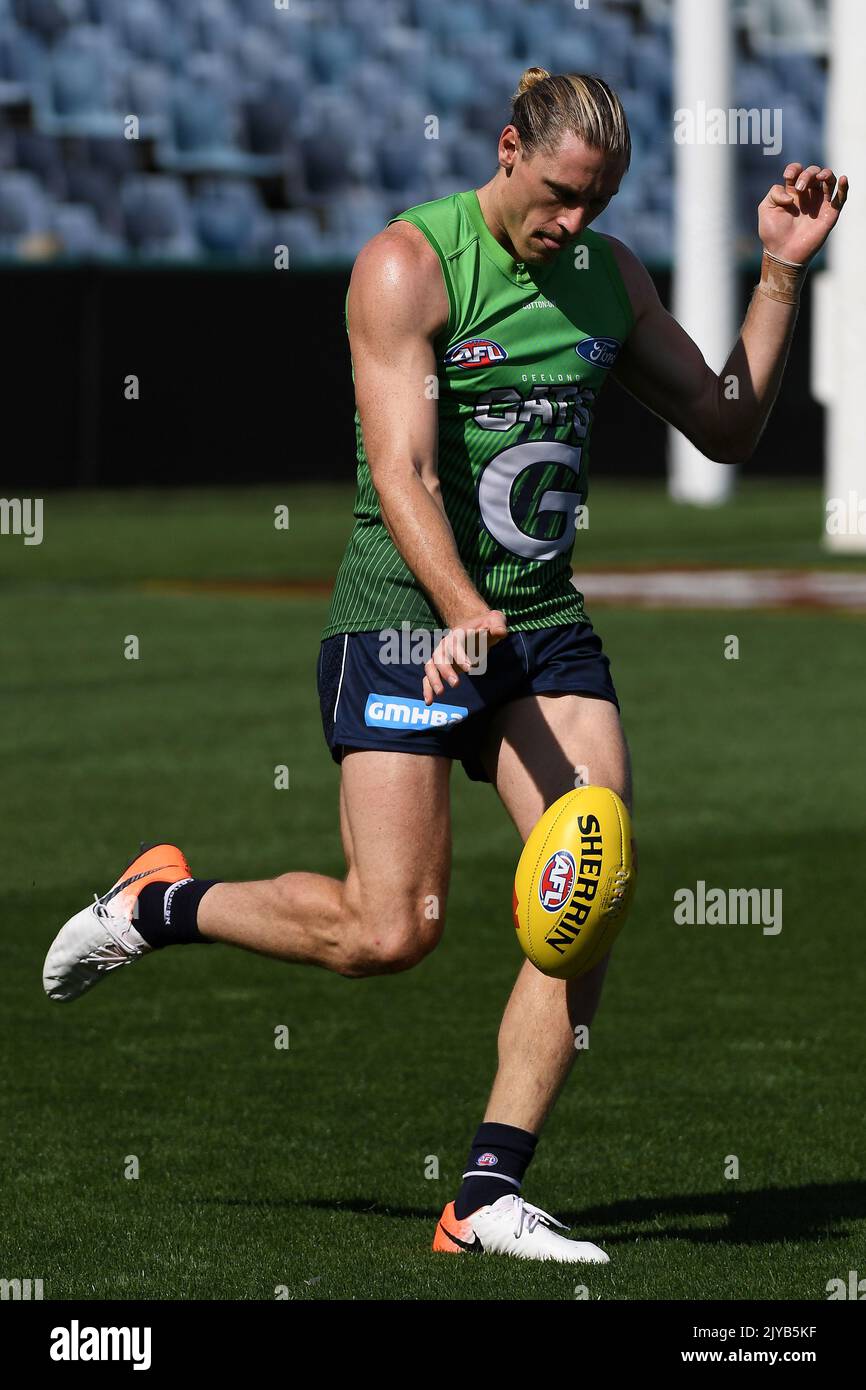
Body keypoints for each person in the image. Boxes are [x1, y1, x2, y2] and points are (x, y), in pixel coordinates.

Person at [43, 68, 847, 1263]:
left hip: (540, 626)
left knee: (592, 870)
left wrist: (779, 272)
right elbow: (404, 473)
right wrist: (460, 611)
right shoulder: (407, 267)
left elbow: (726, 423)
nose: (575, 222)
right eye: (564, 194)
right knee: (389, 930)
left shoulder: (606, 275)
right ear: (508, 147)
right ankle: (157, 904)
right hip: (403, 621)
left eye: (601, 200)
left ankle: (481, 1193)